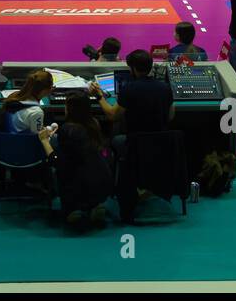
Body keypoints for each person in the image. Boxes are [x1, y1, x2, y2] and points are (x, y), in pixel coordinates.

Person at [38, 92, 112, 228]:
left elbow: (57, 161)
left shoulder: (67, 130)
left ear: (69, 109)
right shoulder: (94, 124)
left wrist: (44, 140)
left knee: (58, 168)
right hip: (103, 181)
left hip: (77, 187)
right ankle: (94, 206)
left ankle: (73, 209)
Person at [90, 49, 174, 157]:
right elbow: (171, 116)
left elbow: (112, 116)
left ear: (133, 69)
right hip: (161, 144)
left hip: (135, 144)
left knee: (114, 137)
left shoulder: (128, 89)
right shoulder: (166, 88)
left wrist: (99, 96)